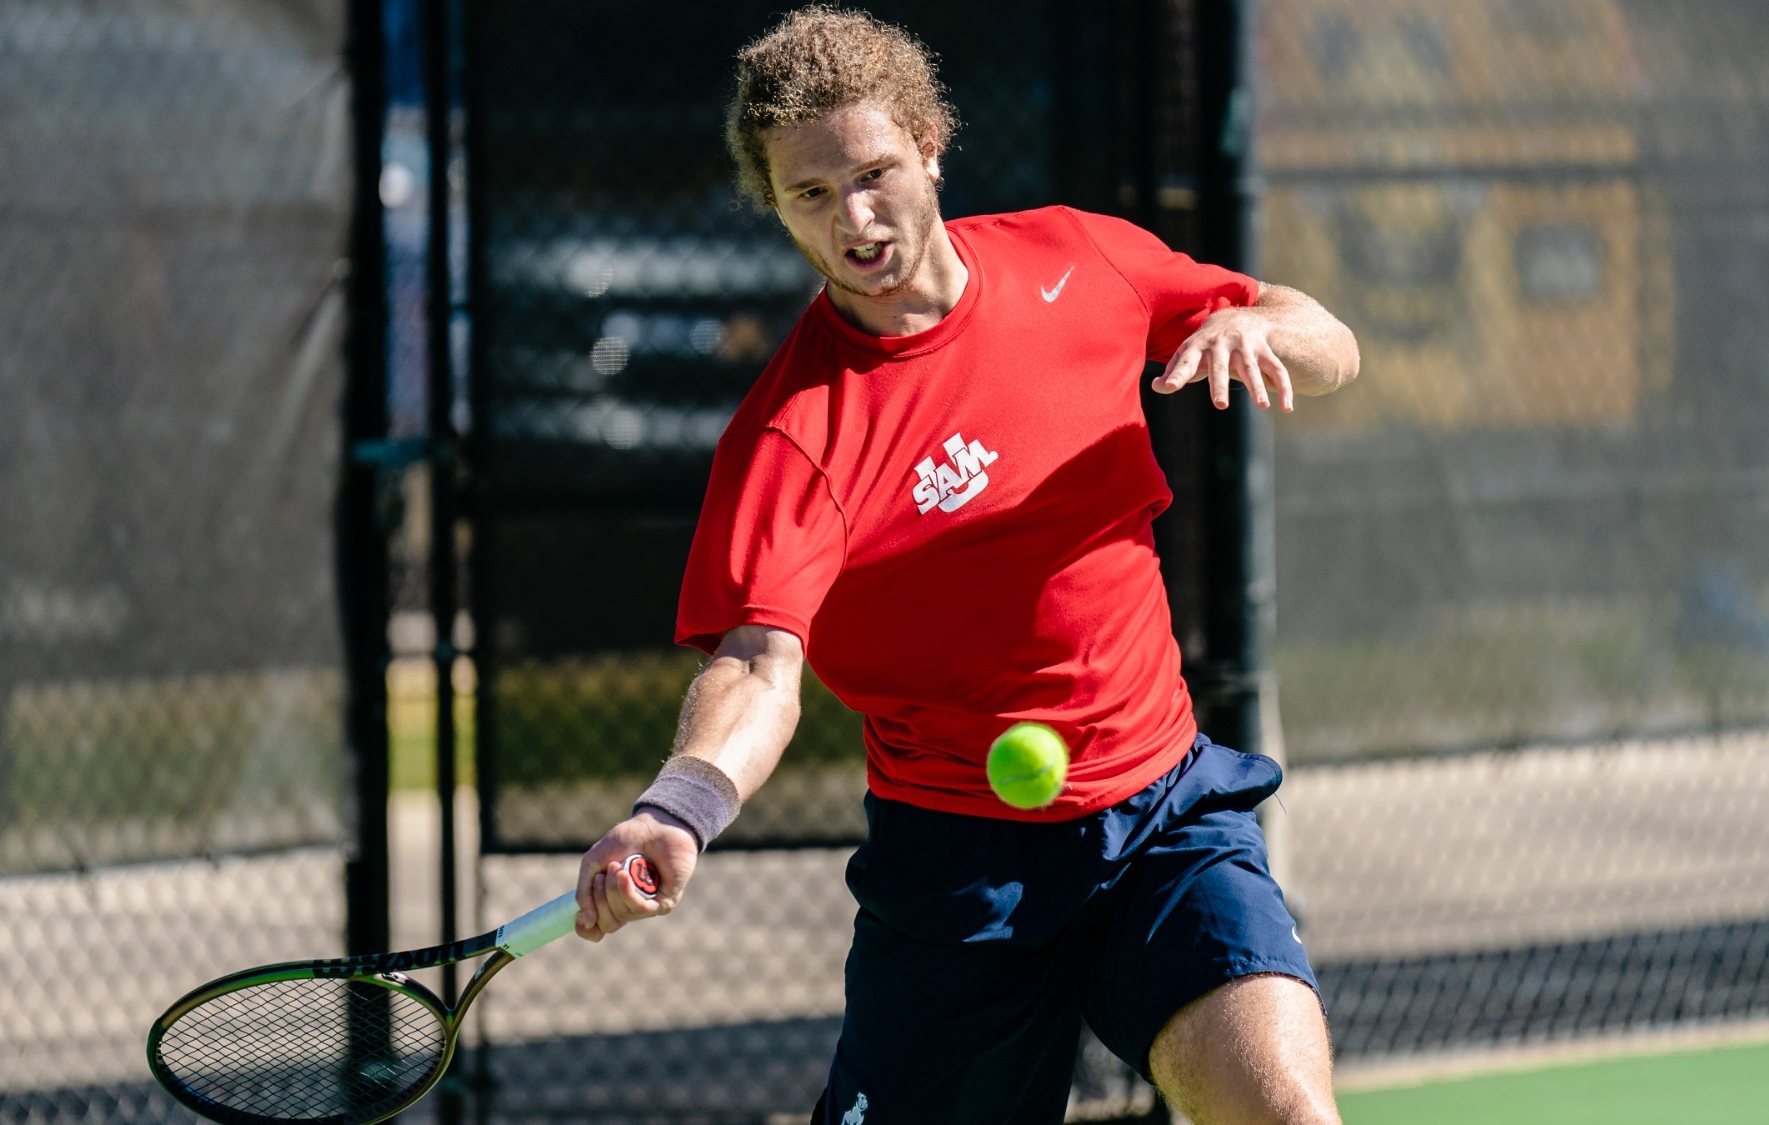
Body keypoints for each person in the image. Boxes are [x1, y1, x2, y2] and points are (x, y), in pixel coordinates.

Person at [571, 7, 1358, 1123]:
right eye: (809, 194)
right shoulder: (794, 435)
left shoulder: (1077, 259)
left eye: (873, 172)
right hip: (958, 881)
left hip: (1163, 816)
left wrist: (1262, 329)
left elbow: (1328, 341)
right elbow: (757, 666)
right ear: (776, 208)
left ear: (931, 144)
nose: (854, 219)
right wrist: (678, 808)